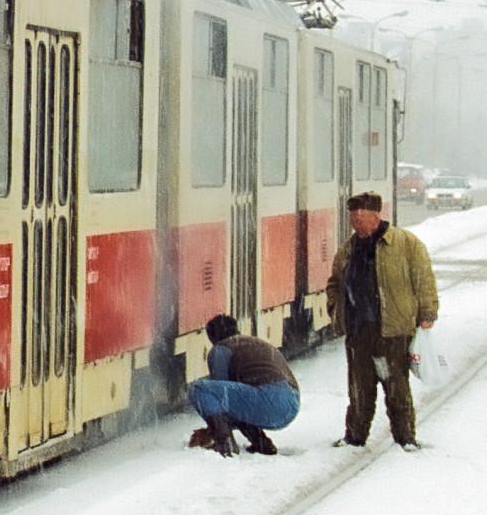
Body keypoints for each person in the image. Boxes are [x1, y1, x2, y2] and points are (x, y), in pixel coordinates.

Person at [326, 190, 438, 451]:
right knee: (359, 388)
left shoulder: (405, 244)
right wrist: (336, 309)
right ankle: (355, 436)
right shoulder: (349, 248)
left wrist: (427, 313)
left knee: (396, 386)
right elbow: (335, 283)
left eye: (360, 219)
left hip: (392, 330)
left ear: (376, 216)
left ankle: (405, 437)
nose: (356, 224)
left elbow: (424, 279)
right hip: (359, 331)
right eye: (353, 219)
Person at [186, 314, 301, 456]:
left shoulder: (221, 349)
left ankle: (225, 443)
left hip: (268, 400)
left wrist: (213, 430)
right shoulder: (256, 342)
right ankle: (262, 443)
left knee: (198, 389)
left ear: (212, 337)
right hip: (291, 403)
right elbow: (238, 403)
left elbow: (223, 399)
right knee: (239, 400)